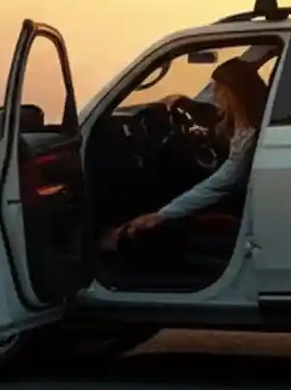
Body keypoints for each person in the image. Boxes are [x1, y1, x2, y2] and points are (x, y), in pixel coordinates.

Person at [100, 58, 267, 251]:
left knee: (167, 217)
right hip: (241, 198)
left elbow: (223, 183)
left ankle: (122, 239)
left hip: (240, 205)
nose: (213, 95)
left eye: (217, 89)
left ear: (232, 94)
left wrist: (162, 214)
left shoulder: (249, 133)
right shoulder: (245, 125)